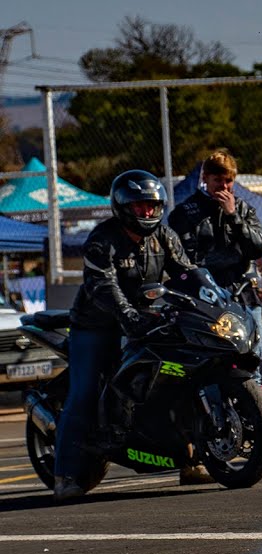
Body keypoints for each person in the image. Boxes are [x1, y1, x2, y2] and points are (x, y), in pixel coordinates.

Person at [55, 170, 195, 500]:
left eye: (152, 206)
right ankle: (66, 475)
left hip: (146, 319)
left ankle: (193, 459)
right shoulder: (102, 239)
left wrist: (211, 298)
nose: (147, 212)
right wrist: (127, 315)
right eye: (140, 206)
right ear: (122, 207)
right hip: (96, 324)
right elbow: (103, 285)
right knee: (84, 393)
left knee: (183, 378)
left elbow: (187, 274)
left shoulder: (164, 235)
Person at [167, 149, 262, 482]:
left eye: (229, 181)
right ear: (205, 178)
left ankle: (261, 441)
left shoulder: (242, 207)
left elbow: (259, 246)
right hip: (204, 301)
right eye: (217, 180)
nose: (223, 186)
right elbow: (180, 257)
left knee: (249, 367)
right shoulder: (186, 212)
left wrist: (233, 216)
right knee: (199, 373)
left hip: (242, 296)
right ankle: (191, 455)